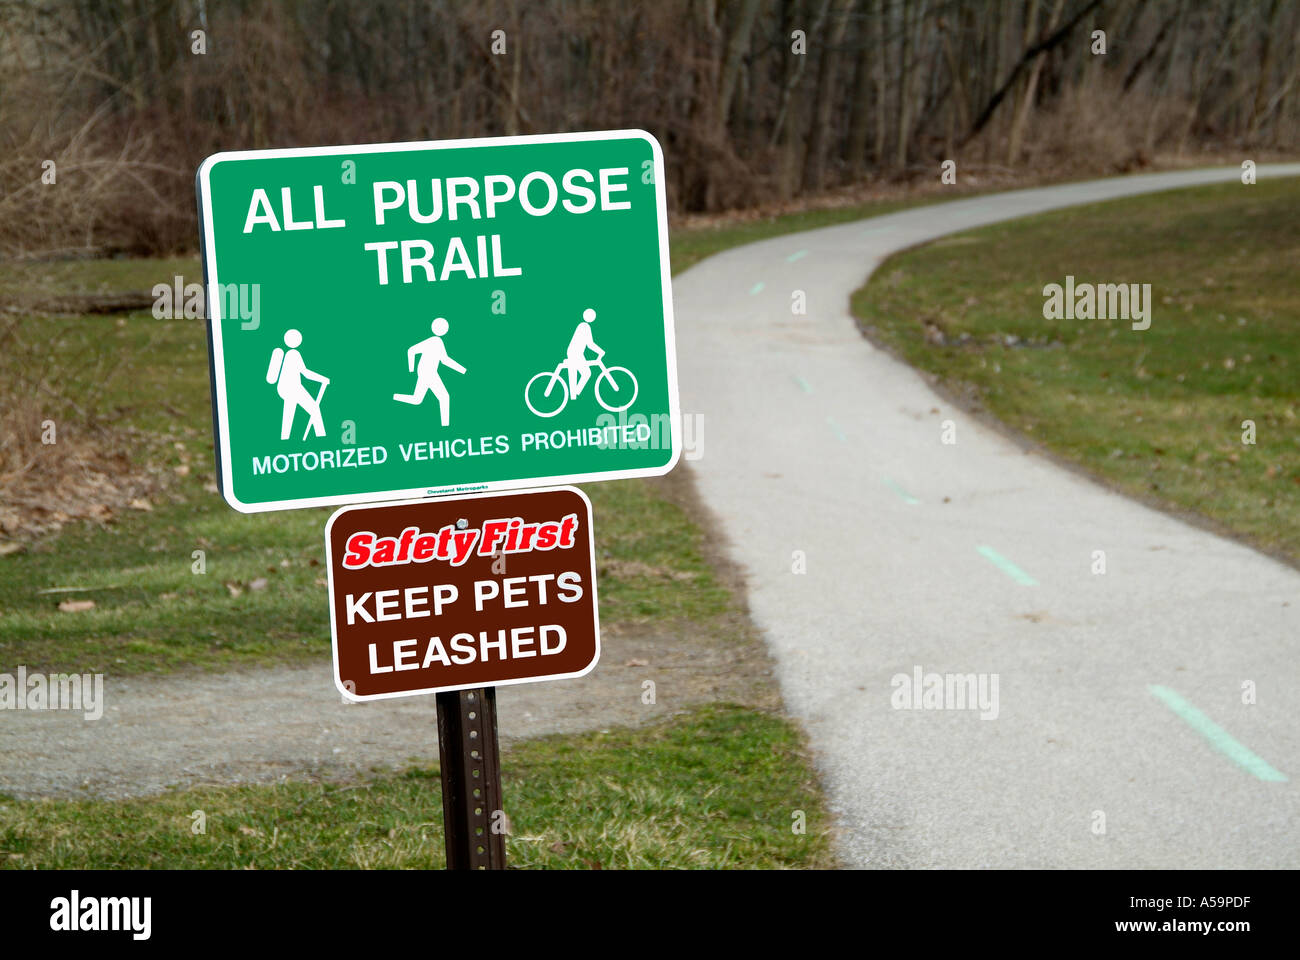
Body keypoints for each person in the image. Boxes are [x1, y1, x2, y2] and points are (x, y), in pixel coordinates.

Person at [393, 317, 466, 427]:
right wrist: (410, 369)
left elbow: (444, 360)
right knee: (444, 397)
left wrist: (462, 370)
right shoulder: (435, 341)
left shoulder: (436, 341)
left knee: (417, 400)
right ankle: (445, 427)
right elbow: (411, 351)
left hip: (426, 373)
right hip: (428, 373)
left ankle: (393, 396)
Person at [274, 329, 327, 440]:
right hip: (292, 388)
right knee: (314, 410)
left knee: (289, 416)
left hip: (287, 388)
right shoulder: (293, 354)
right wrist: (323, 379)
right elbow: (305, 373)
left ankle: (285, 440)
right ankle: (322, 438)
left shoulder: (288, 354)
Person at [565, 308, 604, 398]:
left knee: (584, 373)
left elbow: (588, 344)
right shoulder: (584, 326)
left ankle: (575, 394)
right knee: (586, 373)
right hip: (575, 353)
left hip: (575, 353)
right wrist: (600, 352)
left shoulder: (583, 325)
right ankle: (575, 393)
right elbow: (589, 344)